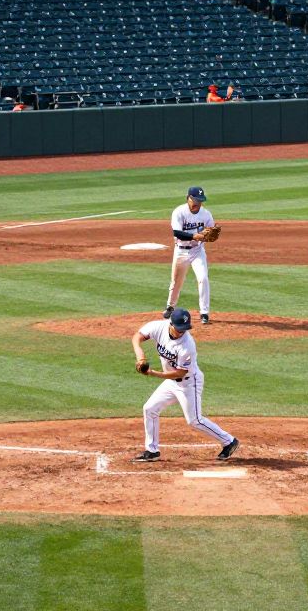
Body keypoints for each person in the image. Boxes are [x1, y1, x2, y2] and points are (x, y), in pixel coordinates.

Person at [130, 307, 239, 463]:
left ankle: (229, 441)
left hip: (188, 383)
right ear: (171, 323)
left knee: (194, 420)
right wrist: (140, 357)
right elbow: (137, 337)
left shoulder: (187, 345)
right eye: (179, 329)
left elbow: (180, 373)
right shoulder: (158, 327)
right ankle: (152, 450)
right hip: (171, 382)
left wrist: (153, 373)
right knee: (150, 408)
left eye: (184, 329)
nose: (181, 332)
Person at [163, 185, 217, 325]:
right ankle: (170, 306)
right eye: (195, 200)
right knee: (176, 281)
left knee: (203, 278)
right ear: (188, 198)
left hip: (197, 251)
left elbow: (211, 230)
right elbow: (177, 233)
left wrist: (207, 235)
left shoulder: (206, 214)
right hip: (181, 251)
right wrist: (195, 236)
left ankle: (204, 313)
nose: (198, 204)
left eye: (200, 201)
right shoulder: (179, 212)